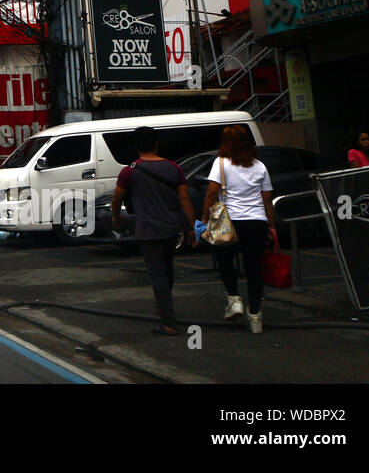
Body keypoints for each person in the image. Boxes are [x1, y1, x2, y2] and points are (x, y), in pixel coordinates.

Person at [112, 125, 197, 336]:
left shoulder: (129, 170)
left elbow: (117, 199)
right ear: (156, 144)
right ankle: (163, 306)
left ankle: (168, 321)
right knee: (167, 271)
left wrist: (116, 218)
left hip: (148, 230)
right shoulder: (173, 168)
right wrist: (192, 227)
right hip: (172, 229)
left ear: (136, 147)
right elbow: (185, 200)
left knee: (157, 274)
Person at [203, 125, 278, 335]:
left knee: (225, 259)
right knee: (254, 268)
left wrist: (203, 217)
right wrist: (271, 225)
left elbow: (211, 192)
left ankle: (234, 298)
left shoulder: (220, 164)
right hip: (256, 222)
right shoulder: (260, 166)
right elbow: (267, 198)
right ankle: (255, 315)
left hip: (229, 222)